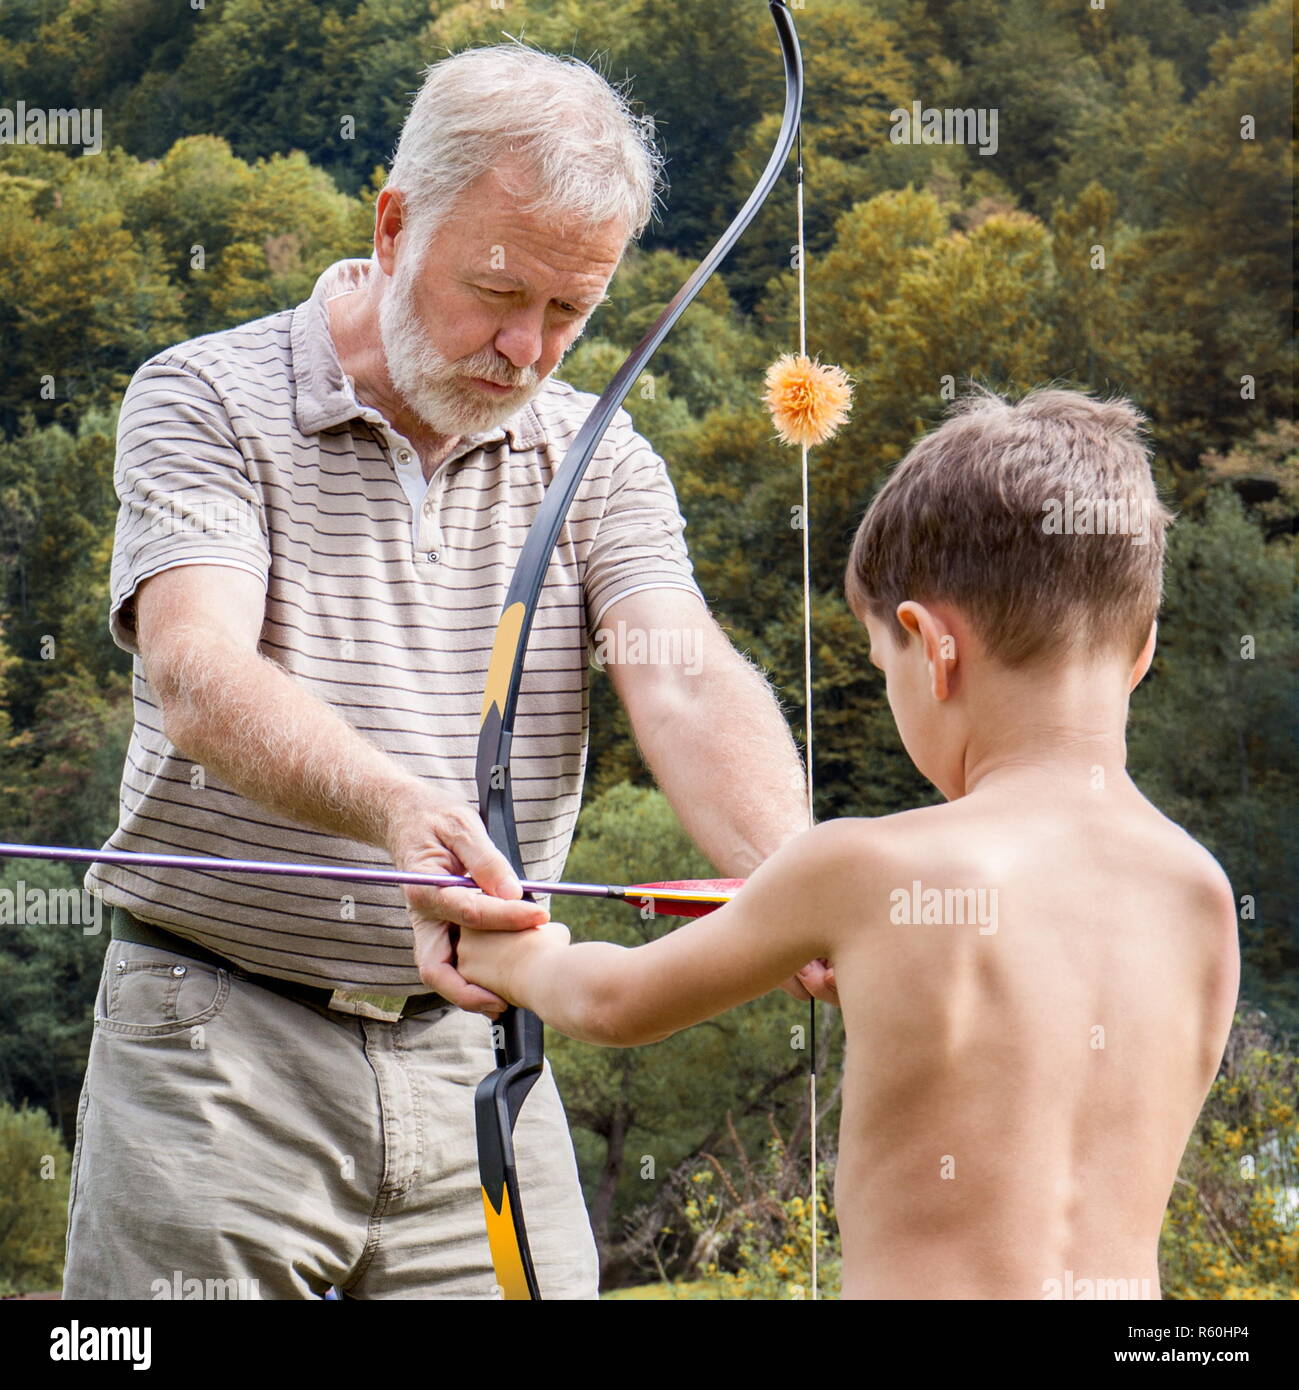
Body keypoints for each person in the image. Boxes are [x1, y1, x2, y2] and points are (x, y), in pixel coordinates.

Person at [64, 43, 827, 1300]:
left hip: (480, 1054)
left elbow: (679, 674)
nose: (524, 348)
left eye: (570, 311)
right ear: (394, 221)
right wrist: (399, 813)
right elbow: (198, 674)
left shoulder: (599, 454)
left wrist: (797, 879)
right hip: (213, 1047)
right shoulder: (206, 396)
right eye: (494, 291)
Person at [458, 387, 1242, 1299]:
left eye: (881, 667)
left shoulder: (867, 866)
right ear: (1142, 650)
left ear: (930, 646)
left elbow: (614, 1002)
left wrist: (511, 952)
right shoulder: (1199, 891)